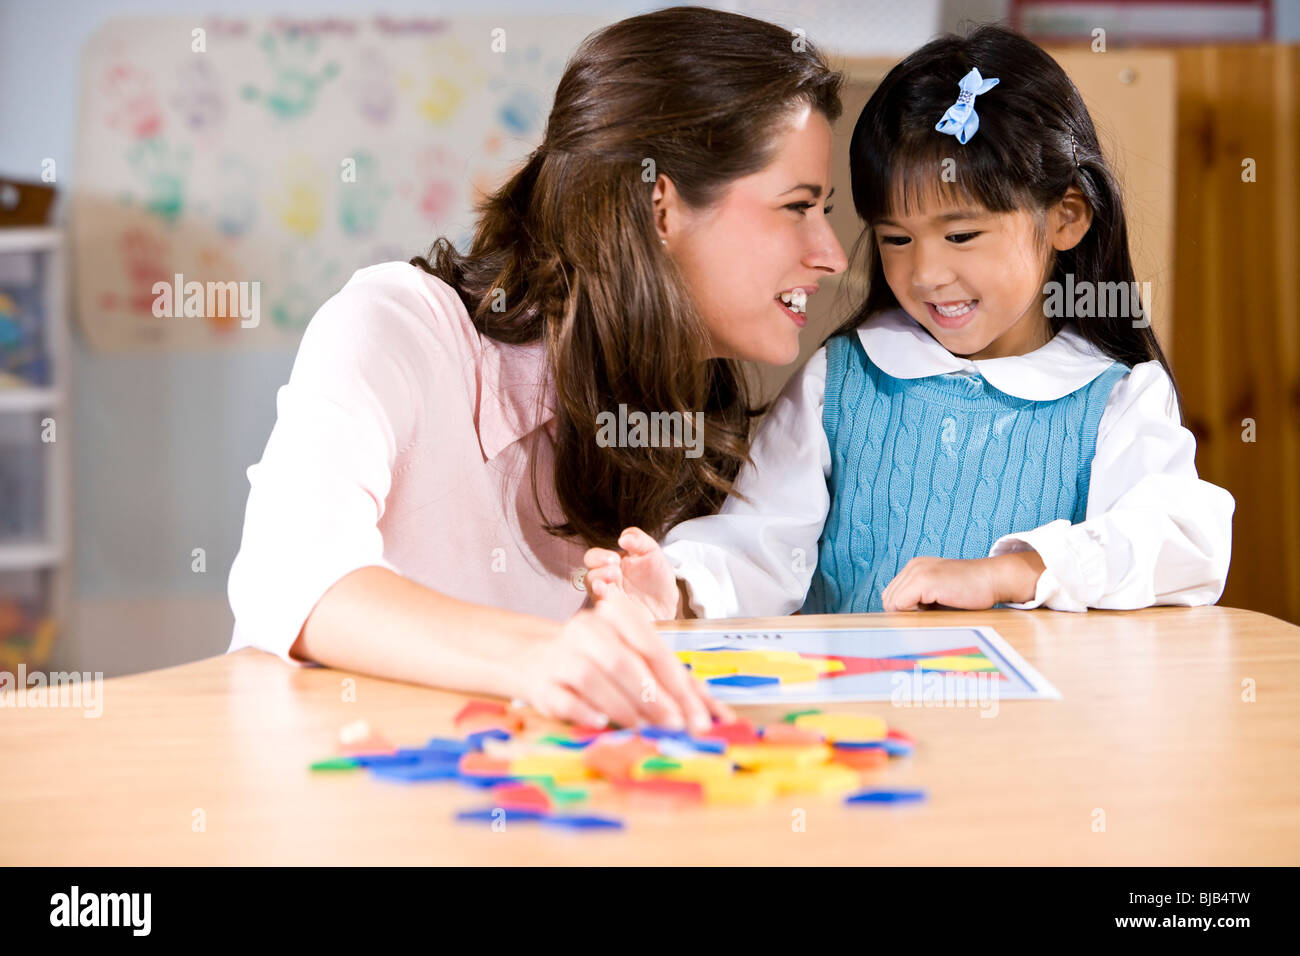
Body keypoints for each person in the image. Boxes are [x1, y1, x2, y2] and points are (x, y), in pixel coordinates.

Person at [226, 7, 848, 731]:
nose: (831, 254)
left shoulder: (687, 406)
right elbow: (293, 578)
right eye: (797, 207)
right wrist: (548, 655)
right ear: (660, 210)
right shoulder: (392, 327)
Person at [584, 24, 1235, 619]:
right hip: (851, 724)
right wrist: (675, 587)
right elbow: (757, 546)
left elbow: (1187, 542)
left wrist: (1015, 571)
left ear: (1066, 217)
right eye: (896, 239)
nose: (925, 274)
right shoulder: (842, 378)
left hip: (1033, 739)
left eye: (960, 236)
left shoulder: (1114, 398)